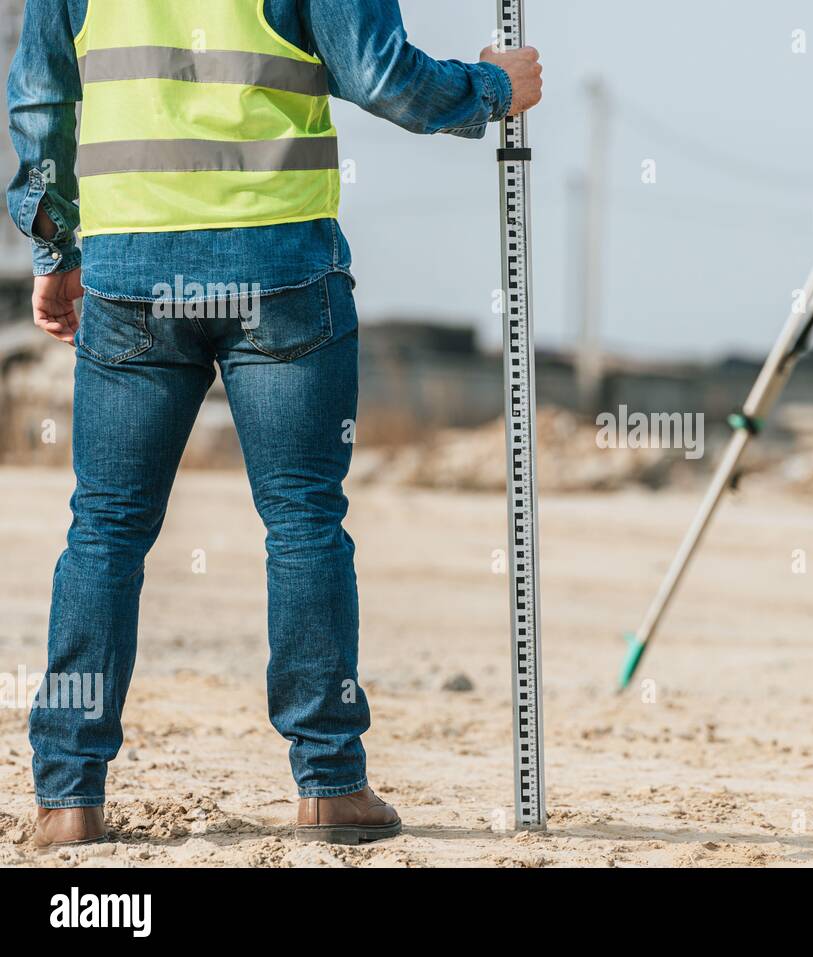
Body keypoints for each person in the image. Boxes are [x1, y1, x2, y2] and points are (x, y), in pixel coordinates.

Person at [7, 0, 542, 848]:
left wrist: (54, 246)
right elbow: (380, 77)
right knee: (302, 522)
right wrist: (489, 90)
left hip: (132, 268)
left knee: (105, 529)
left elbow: (39, 98)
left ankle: (69, 798)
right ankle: (329, 784)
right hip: (281, 267)